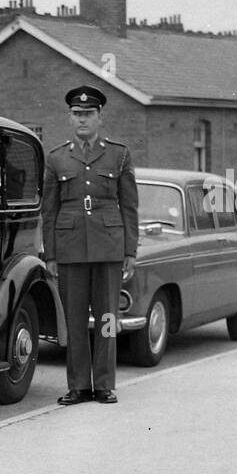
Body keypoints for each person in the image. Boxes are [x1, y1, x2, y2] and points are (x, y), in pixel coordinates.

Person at [42, 85, 138, 404]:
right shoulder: (56, 158)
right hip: (69, 249)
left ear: (100, 117)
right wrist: (51, 255)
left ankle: (105, 383)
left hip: (109, 247)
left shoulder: (118, 154)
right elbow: (49, 210)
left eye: (88, 114)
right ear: (70, 118)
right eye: (77, 114)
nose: (82, 120)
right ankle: (79, 386)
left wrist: (129, 251)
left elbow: (129, 207)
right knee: (75, 319)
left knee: (108, 317)